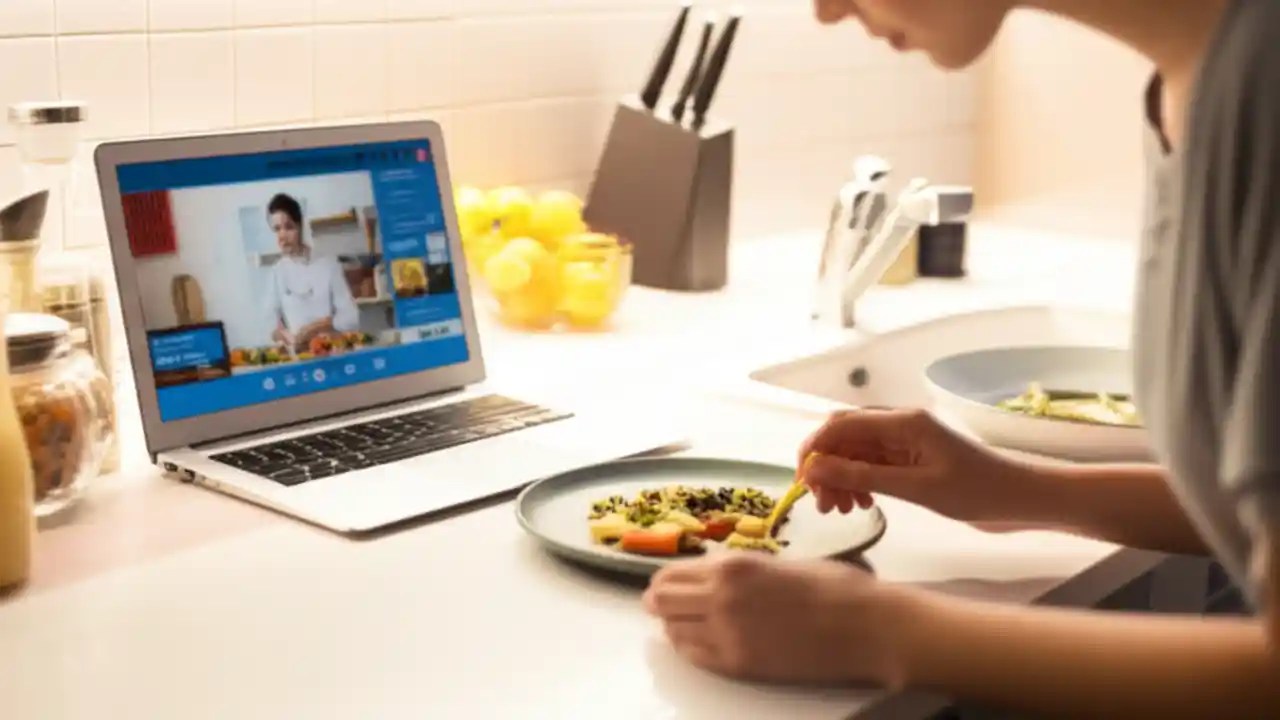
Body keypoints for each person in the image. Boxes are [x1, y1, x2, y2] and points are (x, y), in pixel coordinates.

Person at [643, 1, 1280, 716]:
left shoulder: (1261, 91)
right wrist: (1019, 491)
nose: (823, 11)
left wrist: (875, 631)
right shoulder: (1195, 83)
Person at [264, 193, 360, 352]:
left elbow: (351, 319)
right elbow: (269, 326)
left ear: (301, 226)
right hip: (300, 357)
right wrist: (281, 335)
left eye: (288, 227)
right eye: (277, 229)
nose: (282, 236)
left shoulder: (328, 264)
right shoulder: (277, 272)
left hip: (331, 352)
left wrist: (318, 327)